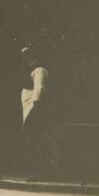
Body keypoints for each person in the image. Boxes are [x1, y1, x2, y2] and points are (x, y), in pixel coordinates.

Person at [19, 46, 57, 180]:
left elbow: (39, 89)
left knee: (37, 140)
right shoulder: (32, 69)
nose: (25, 57)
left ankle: (42, 172)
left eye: (28, 54)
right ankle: (40, 171)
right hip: (31, 109)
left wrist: (36, 107)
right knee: (34, 139)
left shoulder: (39, 69)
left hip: (35, 110)